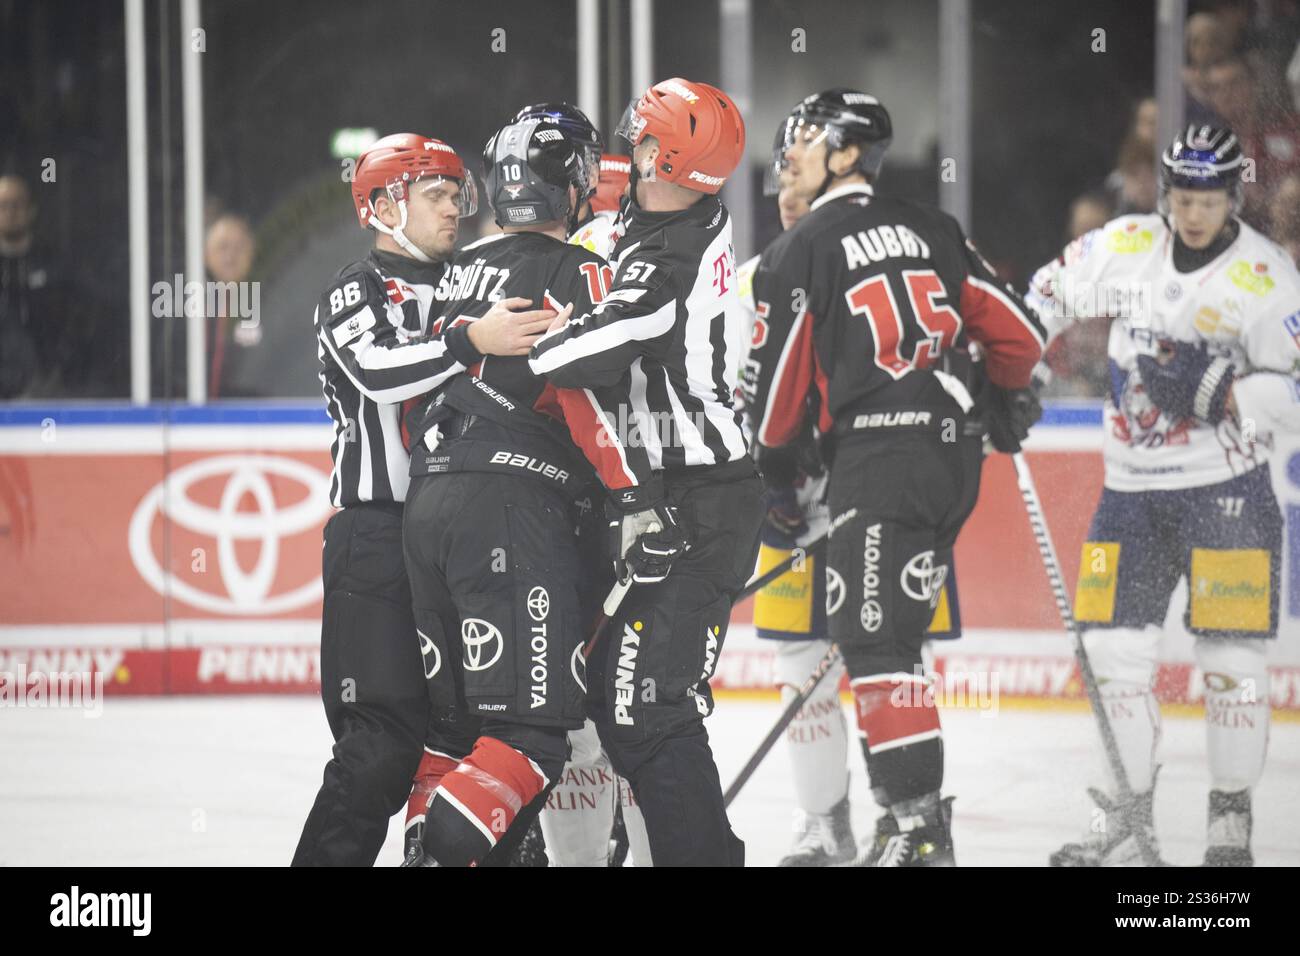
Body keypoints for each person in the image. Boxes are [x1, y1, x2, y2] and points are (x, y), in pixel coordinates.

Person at [744, 89, 1046, 867]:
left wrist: (778, 467)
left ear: (846, 155)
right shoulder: (932, 225)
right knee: (893, 642)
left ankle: (917, 830)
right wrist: (1006, 395)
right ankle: (904, 821)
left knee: (874, 641)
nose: (787, 160)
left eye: (803, 144)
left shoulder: (799, 246)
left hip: (881, 458)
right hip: (949, 456)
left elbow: (778, 398)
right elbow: (1020, 333)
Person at [1027, 125, 1300, 867]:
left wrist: (1222, 392)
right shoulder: (1125, 247)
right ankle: (1123, 810)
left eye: (1208, 197)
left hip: (1229, 496)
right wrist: (1015, 362)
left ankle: (1229, 819)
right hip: (1130, 497)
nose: (1193, 211)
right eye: (1182, 195)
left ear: (1233, 196)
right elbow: (1045, 294)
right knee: (1112, 654)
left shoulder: (1267, 278)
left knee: (1232, 663)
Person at [293, 133, 553, 866]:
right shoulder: (356, 287)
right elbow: (375, 370)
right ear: (381, 206)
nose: (453, 209)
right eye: (435, 194)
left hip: (463, 539)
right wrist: (474, 339)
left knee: (479, 735)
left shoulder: (471, 281)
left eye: (456, 194)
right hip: (376, 538)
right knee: (379, 744)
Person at [529, 77, 760, 867]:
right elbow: (598, 194)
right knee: (614, 702)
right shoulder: (671, 206)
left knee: (646, 708)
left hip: (701, 505)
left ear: (663, 156)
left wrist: (546, 322)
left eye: (641, 135)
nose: (628, 143)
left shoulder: (668, 264)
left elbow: (560, 356)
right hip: (669, 495)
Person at [401, 118, 636, 867]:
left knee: (452, 733)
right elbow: (598, 403)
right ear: (573, 183)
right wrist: (640, 498)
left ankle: (429, 845)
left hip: (428, 507)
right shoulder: (583, 272)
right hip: (517, 514)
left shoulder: (450, 275)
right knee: (536, 732)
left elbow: (410, 404)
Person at [506, 102, 651, 867]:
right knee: (628, 700)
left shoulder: (534, 238)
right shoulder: (641, 207)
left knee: (576, 703)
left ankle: (558, 838)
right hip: (629, 479)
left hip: (581, 489)